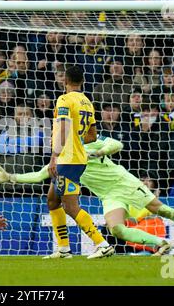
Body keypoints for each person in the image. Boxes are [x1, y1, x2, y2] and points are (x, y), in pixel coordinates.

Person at [0, 136, 174, 256]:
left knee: (161, 209)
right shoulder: (62, 162)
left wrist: (99, 152)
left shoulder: (89, 144)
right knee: (116, 229)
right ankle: (162, 243)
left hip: (125, 183)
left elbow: (116, 144)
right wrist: (10, 177)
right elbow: (40, 175)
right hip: (108, 195)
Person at [45, 65, 113, 259]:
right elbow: (92, 135)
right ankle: (63, 249)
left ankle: (102, 244)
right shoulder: (86, 102)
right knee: (52, 200)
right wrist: (77, 138)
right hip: (77, 157)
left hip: (67, 159)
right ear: (82, 81)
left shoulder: (64, 100)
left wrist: (54, 156)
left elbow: (64, 128)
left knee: (70, 205)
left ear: (65, 80)